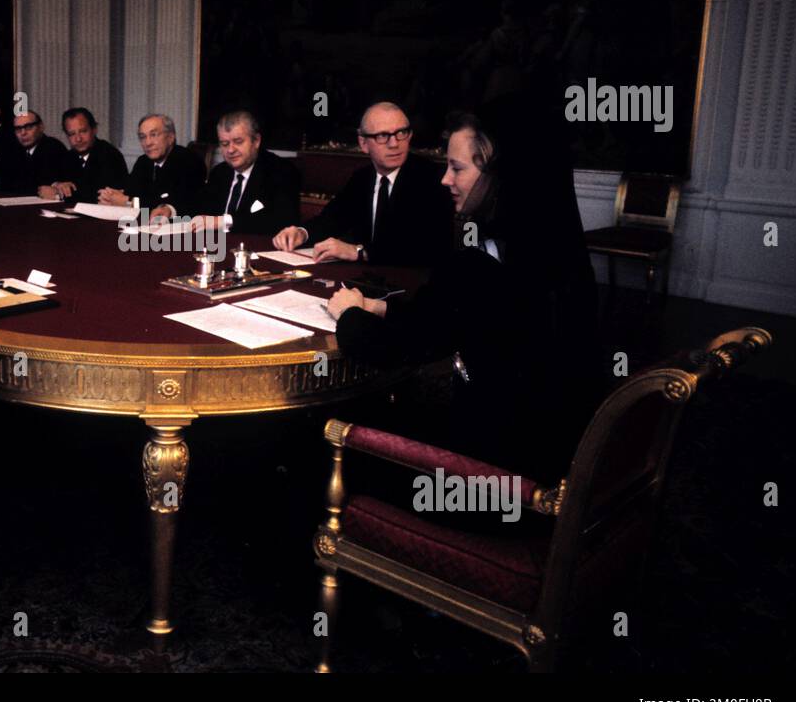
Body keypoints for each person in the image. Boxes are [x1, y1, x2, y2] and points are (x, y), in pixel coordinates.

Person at [326, 97, 603, 483]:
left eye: (457, 168)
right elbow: (442, 318)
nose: (445, 180)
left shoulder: (482, 268)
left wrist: (350, 313)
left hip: (493, 485)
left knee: (334, 443)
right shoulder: (551, 253)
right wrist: (379, 307)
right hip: (547, 462)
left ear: (500, 175)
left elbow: (390, 349)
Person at [272, 102, 452, 266]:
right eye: (383, 135)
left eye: (401, 133)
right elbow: (331, 219)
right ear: (364, 143)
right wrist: (301, 233)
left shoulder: (433, 179)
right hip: (364, 280)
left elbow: (427, 247)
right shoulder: (362, 178)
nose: (394, 143)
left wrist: (359, 252)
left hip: (413, 284)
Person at [189, 110, 300, 236]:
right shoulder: (219, 173)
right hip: (215, 247)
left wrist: (224, 221)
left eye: (238, 142)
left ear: (256, 141)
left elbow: (281, 222)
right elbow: (201, 211)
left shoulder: (281, 171)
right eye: (224, 144)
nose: (230, 150)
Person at [100, 113, 203, 217]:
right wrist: (110, 196)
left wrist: (129, 203)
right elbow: (131, 192)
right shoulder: (143, 161)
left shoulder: (189, 160)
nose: (148, 143)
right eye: (143, 137)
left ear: (171, 137)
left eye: (153, 135)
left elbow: (170, 203)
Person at [39, 107, 127, 203]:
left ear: (94, 130)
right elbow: (46, 185)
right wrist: (57, 185)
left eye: (83, 131)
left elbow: (100, 196)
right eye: (72, 134)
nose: (78, 139)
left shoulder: (110, 155)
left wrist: (58, 194)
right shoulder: (69, 156)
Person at [6, 109, 69, 194]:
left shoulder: (53, 148)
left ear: (41, 127)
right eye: (18, 129)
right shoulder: (15, 150)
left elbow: (40, 184)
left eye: (28, 127)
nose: (23, 133)